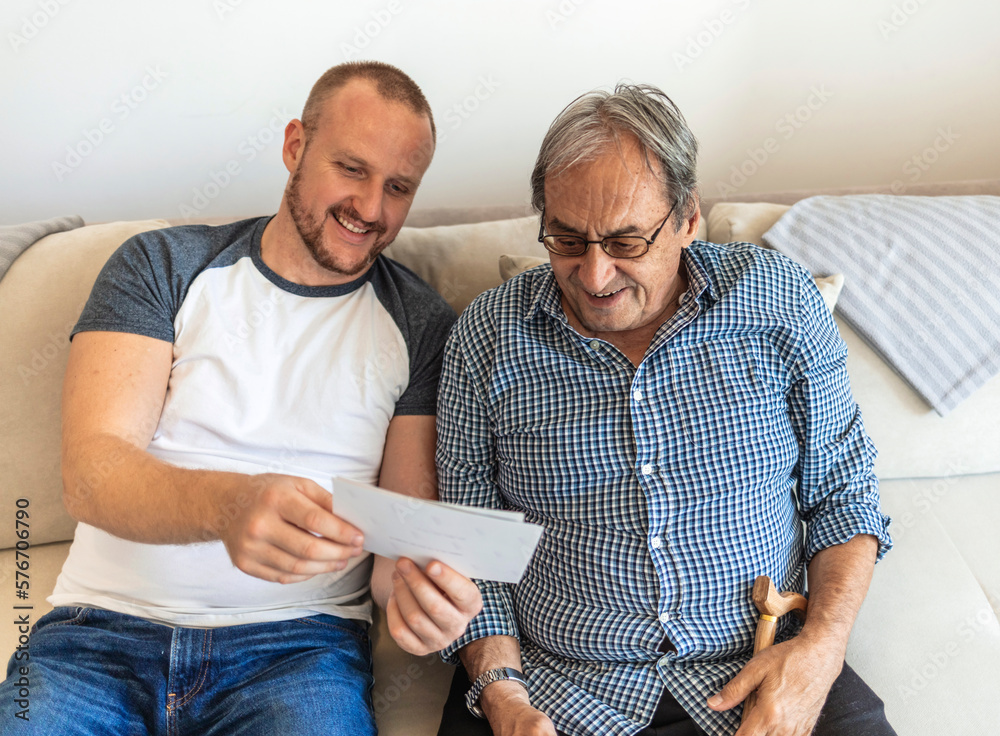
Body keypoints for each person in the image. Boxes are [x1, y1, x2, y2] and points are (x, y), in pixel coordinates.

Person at [0, 61, 482, 735]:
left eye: (398, 187)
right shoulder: (162, 266)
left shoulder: (421, 324)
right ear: (295, 146)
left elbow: (397, 542)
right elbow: (92, 474)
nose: (371, 209)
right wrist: (231, 507)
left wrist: (419, 598)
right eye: (351, 168)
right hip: (96, 639)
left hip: (295, 653)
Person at [434, 83, 895, 736]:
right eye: (566, 241)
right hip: (556, 689)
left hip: (764, 664)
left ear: (686, 219)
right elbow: (466, 539)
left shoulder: (776, 300)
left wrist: (820, 653)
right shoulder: (486, 336)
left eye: (626, 243)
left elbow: (843, 491)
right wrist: (501, 693)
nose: (595, 278)